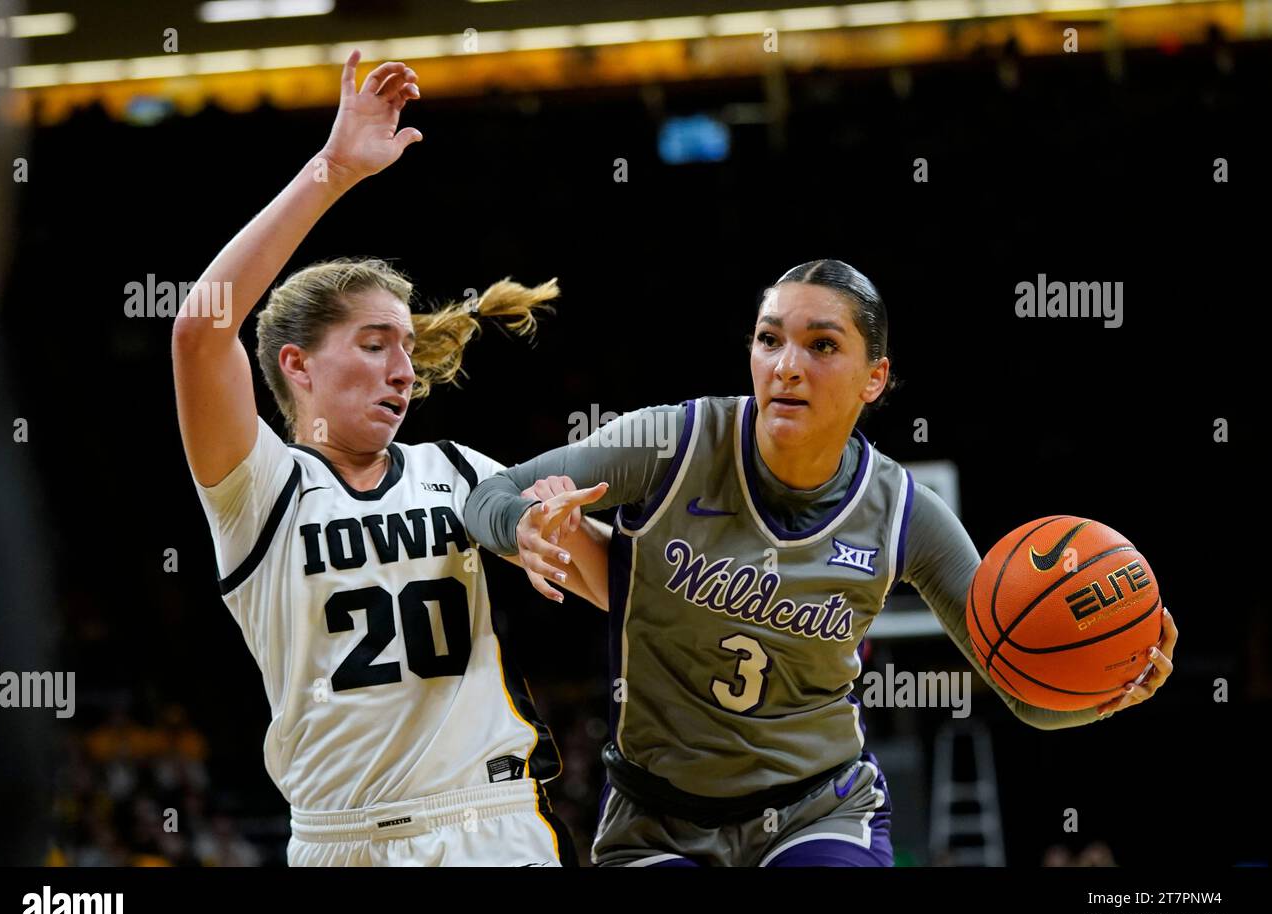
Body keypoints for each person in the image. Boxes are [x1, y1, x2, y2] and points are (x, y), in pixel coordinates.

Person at [464, 258, 1178, 867]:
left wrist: (1110, 694)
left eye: (822, 345)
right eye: (770, 340)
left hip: (817, 810)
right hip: (657, 815)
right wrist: (522, 525)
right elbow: (487, 493)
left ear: (874, 377)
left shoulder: (905, 512)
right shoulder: (671, 444)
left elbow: (1023, 693)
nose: (787, 366)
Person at [172, 51, 608, 866]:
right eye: (374, 346)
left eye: (407, 347)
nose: (404, 369)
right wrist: (332, 171)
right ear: (297, 366)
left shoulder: (462, 469)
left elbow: (613, 589)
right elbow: (200, 328)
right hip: (340, 841)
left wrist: (566, 534)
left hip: (490, 824)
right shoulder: (259, 490)